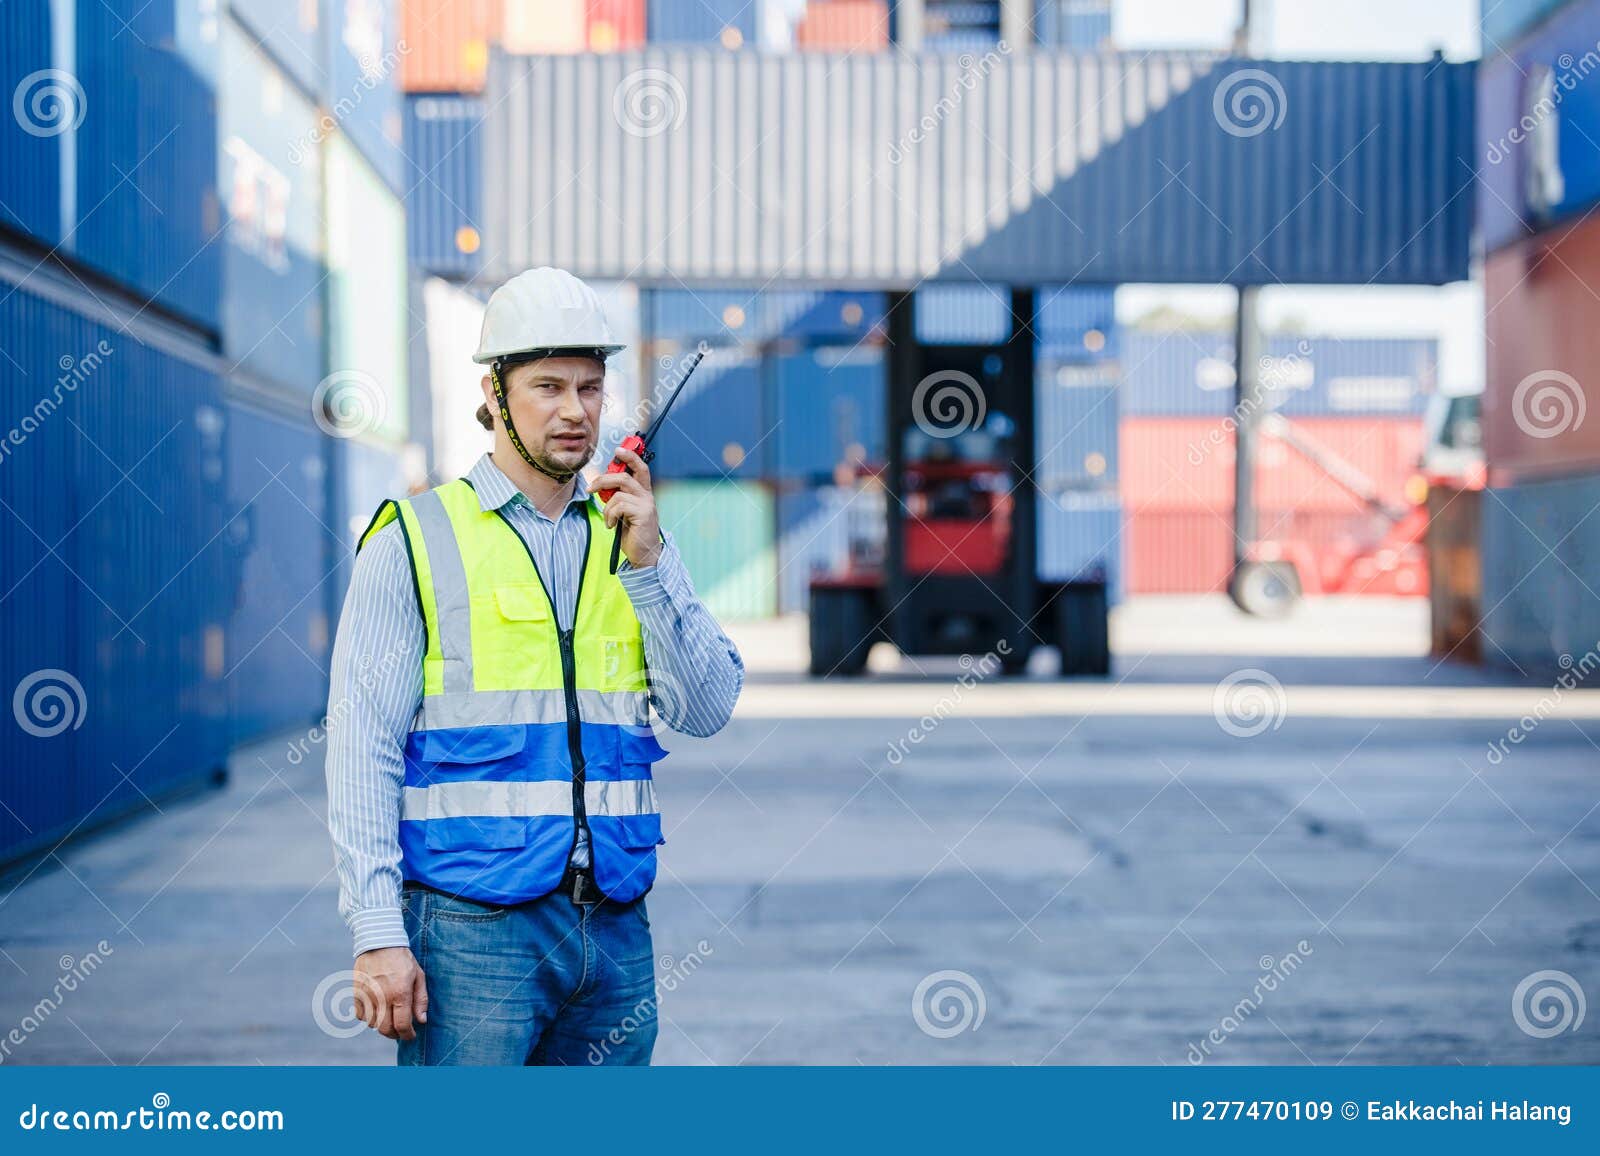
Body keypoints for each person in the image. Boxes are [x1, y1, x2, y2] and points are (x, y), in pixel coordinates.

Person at [324, 267, 743, 1065]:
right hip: (472, 934)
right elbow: (360, 747)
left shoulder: (633, 535)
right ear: (495, 391)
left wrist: (649, 560)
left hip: (616, 927)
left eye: (590, 387)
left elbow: (708, 706)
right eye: (548, 386)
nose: (575, 411)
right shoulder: (414, 539)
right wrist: (378, 932)